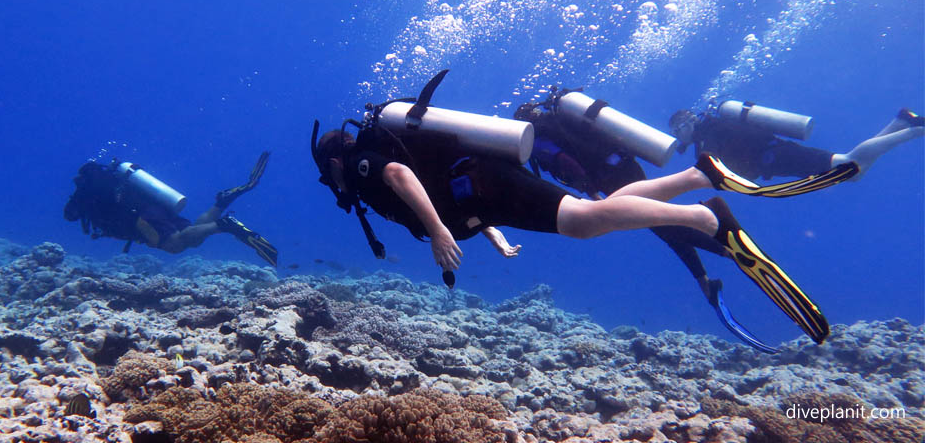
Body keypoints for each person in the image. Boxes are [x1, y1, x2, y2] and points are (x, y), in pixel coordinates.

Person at [312, 71, 829, 344]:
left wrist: (440, 233)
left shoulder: (361, 161)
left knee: (584, 222)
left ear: (335, 158)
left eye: (325, 170)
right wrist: (487, 232)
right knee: (588, 214)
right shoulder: (371, 156)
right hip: (485, 194)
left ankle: (704, 214)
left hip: (489, 186)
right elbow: (440, 189)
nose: (330, 181)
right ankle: (699, 176)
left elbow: (404, 177)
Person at [514, 93, 776, 352]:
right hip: (623, 166)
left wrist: (592, 194)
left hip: (609, 178)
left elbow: (565, 162)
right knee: (662, 225)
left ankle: (726, 250)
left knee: (662, 224)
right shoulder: (559, 122)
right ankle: (709, 275)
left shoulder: (539, 136)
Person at [63, 153, 277, 266]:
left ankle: (225, 224)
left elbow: (69, 215)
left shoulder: (86, 190)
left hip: (141, 218)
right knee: (190, 236)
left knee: (174, 245)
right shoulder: (115, 180)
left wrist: (78, 195)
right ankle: (220, 203)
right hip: (156, 207)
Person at [670, 105, 924, 197]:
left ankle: (915, 129)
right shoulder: (713, 126)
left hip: (778, 156)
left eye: (676, 131)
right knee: (854, 172)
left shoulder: (708, 135)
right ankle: (901, 123)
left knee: (850, 165)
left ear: (686, 124)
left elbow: (714, 168)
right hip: (777, 155)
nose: (677, 138)